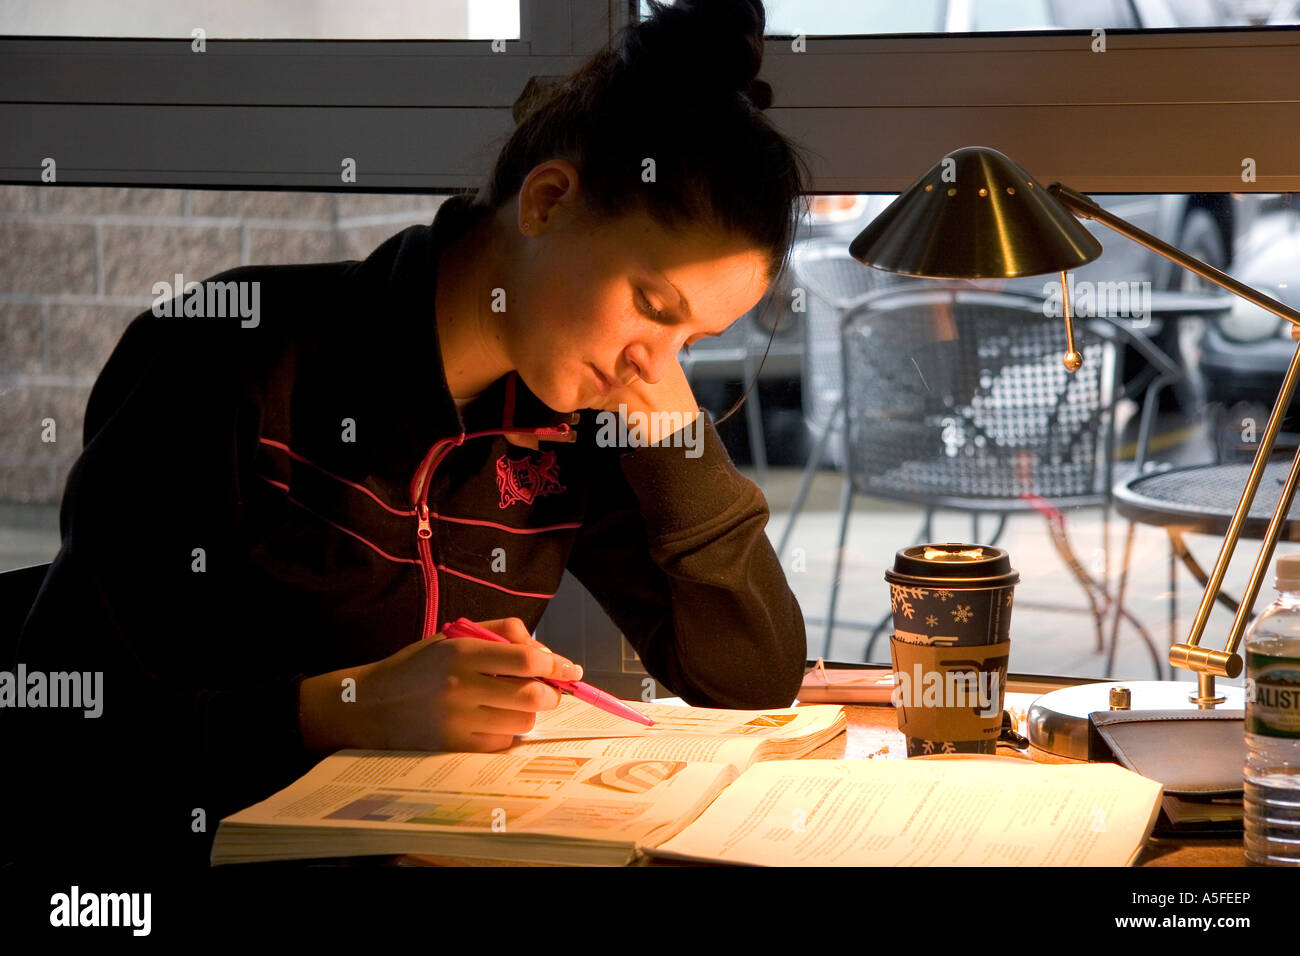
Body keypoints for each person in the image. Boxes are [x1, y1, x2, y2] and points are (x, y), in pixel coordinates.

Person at [7, 0, 813, 869]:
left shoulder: (570, 418)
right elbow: (59, 735)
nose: (651, 367)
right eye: (652, 309)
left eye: (690, 342)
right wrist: (341, 707)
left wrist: (678, 442)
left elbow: (749, 679)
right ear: (546, 201)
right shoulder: (230, 361)